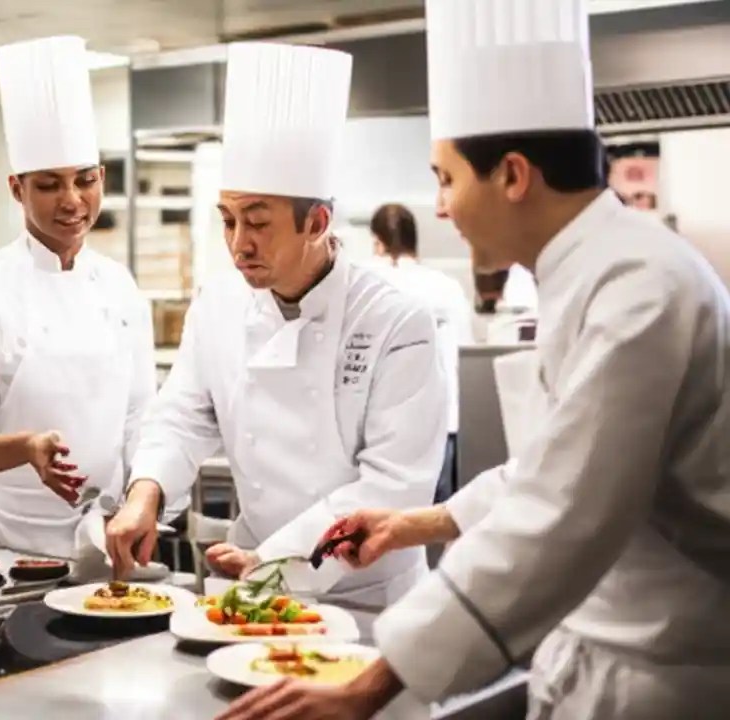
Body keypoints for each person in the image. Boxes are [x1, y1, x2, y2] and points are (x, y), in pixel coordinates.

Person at [220, 1, 730, 718]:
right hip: (606, 657)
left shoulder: (639, 289)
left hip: (666, 678)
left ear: (514, 175)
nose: (440, 208)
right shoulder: (595, 274)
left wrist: (369, 686)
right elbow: (550, 468)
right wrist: (415, 525)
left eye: (447, 178)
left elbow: (563, 512)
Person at [106, 42, 448, 607]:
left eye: (258, 223)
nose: (239, 244)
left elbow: (394, 485)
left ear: (316, 222)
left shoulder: (395, 321)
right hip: (249, 584)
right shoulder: (218, 304)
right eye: (229, 220)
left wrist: (279, 562)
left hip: (367, 599)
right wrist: (147, 490)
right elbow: (183, 417)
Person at [0, 35, 155, 558]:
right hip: (9, 547)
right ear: (16, 188)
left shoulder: (119, 285)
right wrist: (24, 448)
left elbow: (141, 417)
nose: (71, 200)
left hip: (107, 541)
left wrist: (143, 501)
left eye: (84, 181)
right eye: (48, 185)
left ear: (102, 179)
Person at [367, 203, 472, 501]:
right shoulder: (446, 287)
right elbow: (467, 355)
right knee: (436, 522)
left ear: (377, 241)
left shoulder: (372, 286)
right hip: (445, 422)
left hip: (386, 431)